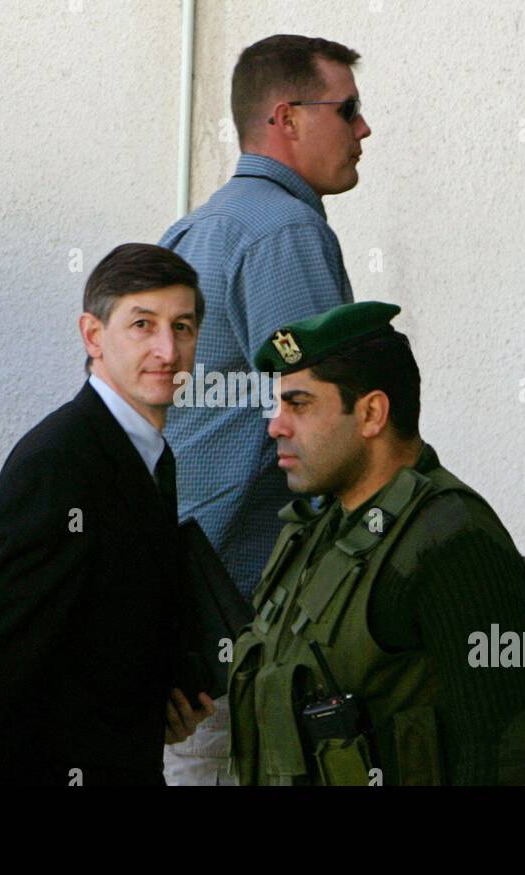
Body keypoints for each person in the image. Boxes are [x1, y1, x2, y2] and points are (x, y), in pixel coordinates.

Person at [159, 33, 370, 785]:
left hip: (189, 607)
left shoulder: (198, 226)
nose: (364, 129)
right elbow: (331, 427)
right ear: (286, 117)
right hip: (248, 614)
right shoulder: (285, 232)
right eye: (347, 111)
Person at [229, 301, 525, 785]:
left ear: (372, 413)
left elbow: (500, 753)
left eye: (298, 405)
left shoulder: (452, 538)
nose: (276, 426)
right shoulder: (317, 532)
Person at [0, 243, 214, 785]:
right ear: (93, 335)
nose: (167, 349)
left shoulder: (147, 453)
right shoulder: (60, 462)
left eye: (182, 327)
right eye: (143, 324)